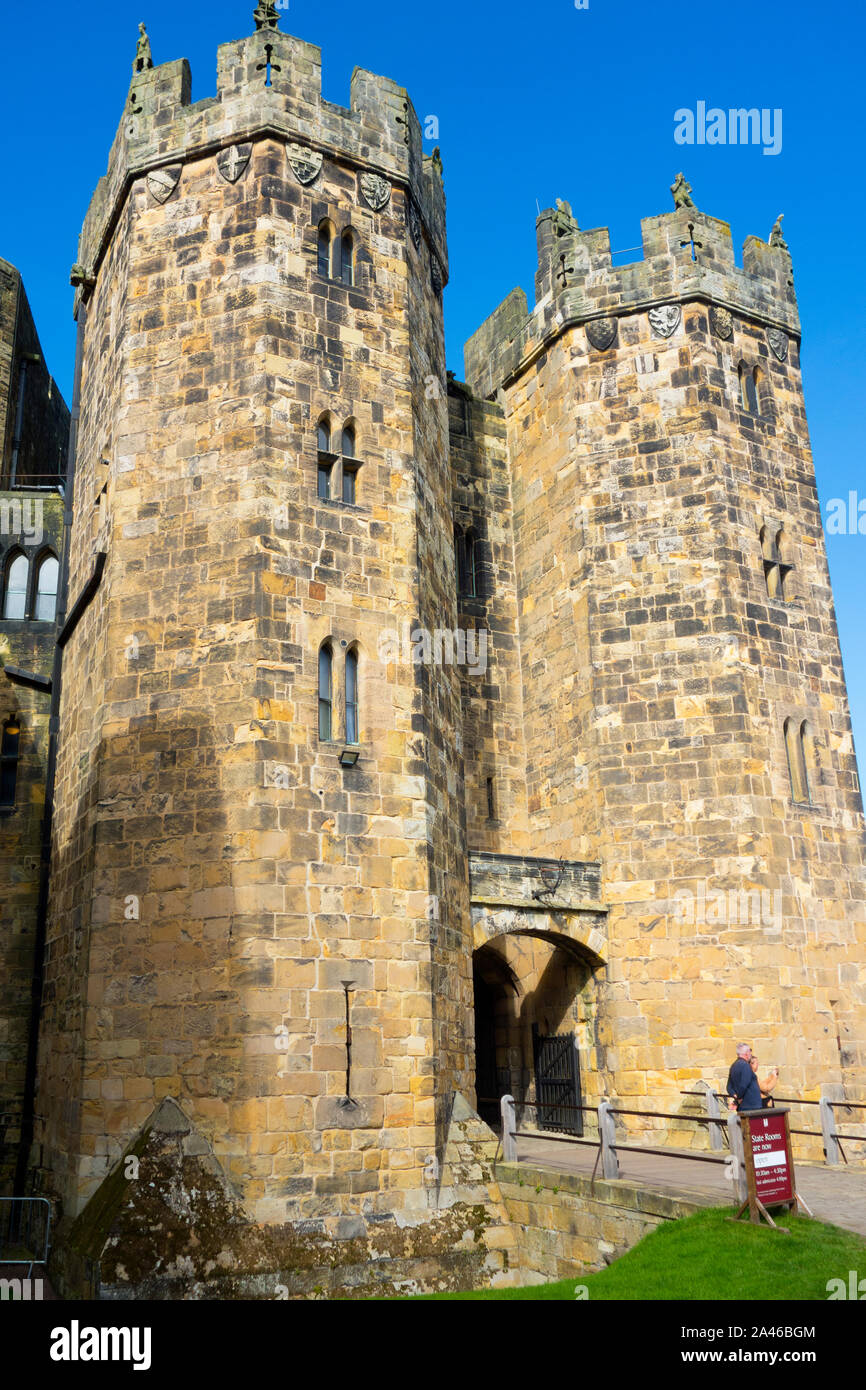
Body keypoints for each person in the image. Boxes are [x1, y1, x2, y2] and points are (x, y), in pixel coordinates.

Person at [726, 1043, 763, 1113]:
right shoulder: (745, 1065)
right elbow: (744, 1084)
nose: (751, 1054)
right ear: (746, 1053)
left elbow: (729, 1087)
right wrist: (739, 1098)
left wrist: (735, 1096)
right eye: (750, 1051)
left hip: (743, 1106)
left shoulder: (733, 1066)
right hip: (751, 1106)